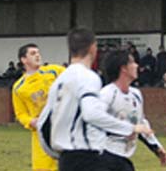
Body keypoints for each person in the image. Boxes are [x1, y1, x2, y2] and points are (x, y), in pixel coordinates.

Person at [36, 28, 151, 171]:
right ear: (92, 48)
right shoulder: (88, 77)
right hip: (88, 158)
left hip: (66, 160)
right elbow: (92, 114)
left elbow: (43, 122)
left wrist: (55, 153)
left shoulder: (59, 81)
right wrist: (130, 128)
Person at [99, 50, 166, 170]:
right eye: (132, 62)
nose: (137, 65)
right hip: (104, 156)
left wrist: (156, 147)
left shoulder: (136, 94)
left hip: (122, 158)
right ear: (123, 68)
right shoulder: (106, 94)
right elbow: (94, 121)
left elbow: (140, 124)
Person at [11, 43, 65, 171]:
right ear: (24, 60)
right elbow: (20, 114)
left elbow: (74, 79)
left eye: (38, 52)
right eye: (33, 53)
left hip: (63, 128)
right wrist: (31, 122)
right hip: (41, 134)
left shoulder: (54, 71)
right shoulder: (19, 88)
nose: (37, 55)